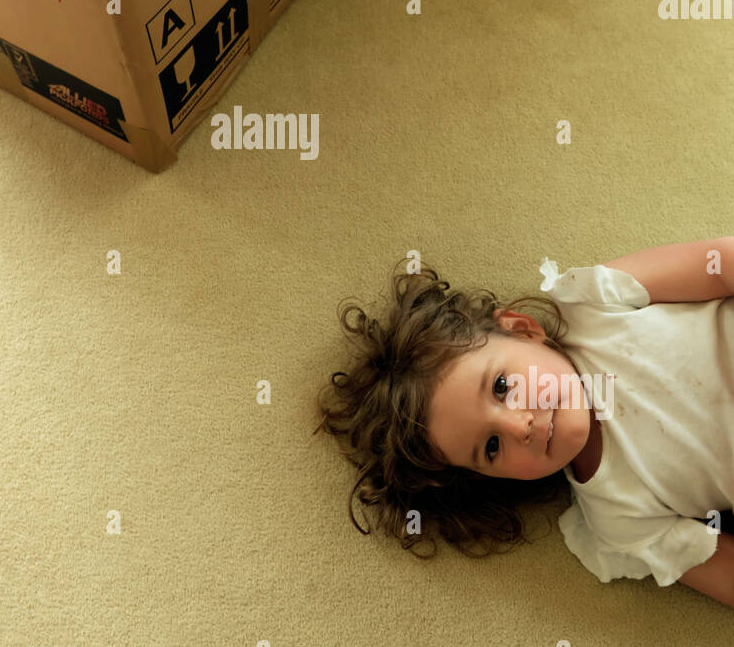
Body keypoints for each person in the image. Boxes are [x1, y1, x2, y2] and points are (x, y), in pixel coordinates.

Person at [314, 239, 734, 606]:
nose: (519, 427)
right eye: (492, 448)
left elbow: (719, 264)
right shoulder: (618, 516)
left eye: (501, 386)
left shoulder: (594, 306)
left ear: (522, 329)